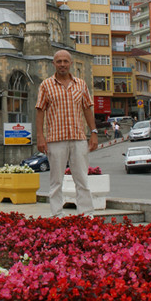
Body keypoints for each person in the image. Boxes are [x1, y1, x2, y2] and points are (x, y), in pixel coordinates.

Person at [35, 49, 98, 217]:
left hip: (78, 138)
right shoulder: (46, 85)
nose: (62, 64)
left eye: (65, 61)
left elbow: (87, 109)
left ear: (71, 63)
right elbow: (40, 110)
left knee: (82, 179)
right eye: (59, 61)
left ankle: (86, 215)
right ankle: (57, 215)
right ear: (53, 64)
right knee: (56, 181)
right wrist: (40, 136)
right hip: (56, 139)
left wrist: (93, 132)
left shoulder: (81, 84)